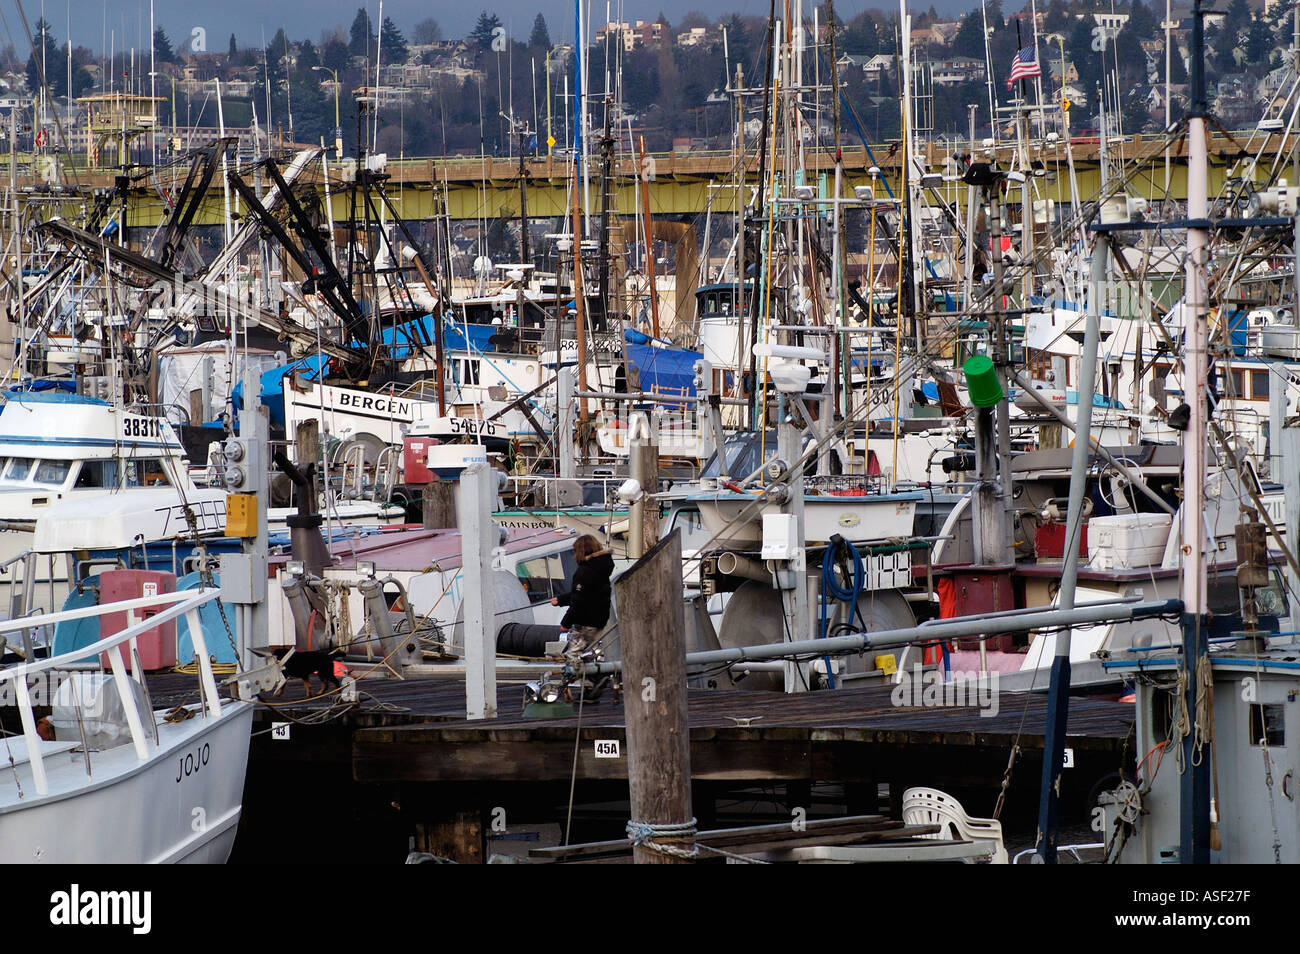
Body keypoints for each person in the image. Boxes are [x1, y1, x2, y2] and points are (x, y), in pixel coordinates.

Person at [550, 534, 615, 660]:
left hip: (585, 621)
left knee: (573, 655)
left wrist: (565, 623)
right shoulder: (601, 568)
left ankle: (582, 678)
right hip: (599, 619)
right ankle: (594, 677)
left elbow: (578, 600)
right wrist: (560, 600)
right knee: (589, 653)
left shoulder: (584, 571)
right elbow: (587, 593)